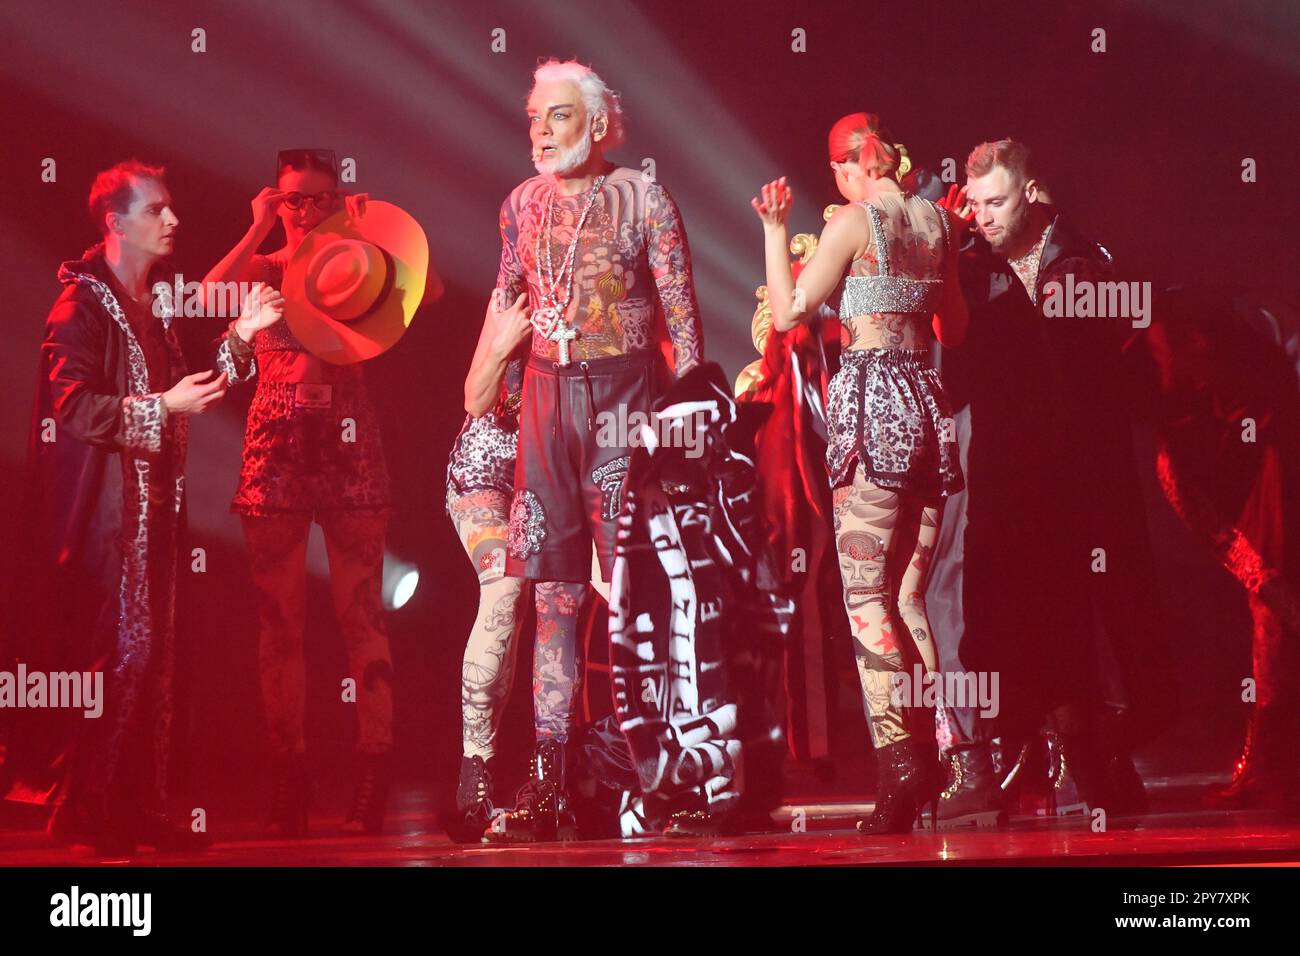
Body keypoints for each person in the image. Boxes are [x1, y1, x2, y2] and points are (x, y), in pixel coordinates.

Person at [465, 58, 704, 842]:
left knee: (636, 593)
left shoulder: (643, 196)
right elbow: (506, 305)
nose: (539, 129)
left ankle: (664, 776)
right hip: (542, 402)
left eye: (557, 116)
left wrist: (689, 419)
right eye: (534, 116)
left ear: (597, 125)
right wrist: (485, 395)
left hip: (620, 404)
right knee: (553, 600)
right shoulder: (519, 204)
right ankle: (549, 785)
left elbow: (681, 314)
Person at [3, 160, 233, 854]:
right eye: (156, 210)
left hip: (152, 517)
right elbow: (72, 406)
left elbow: (192, 387)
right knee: (112, 658)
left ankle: (134, 808)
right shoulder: (80, 307)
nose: (173, 221)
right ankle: (83, 810)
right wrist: (159, 407)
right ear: (116, 223)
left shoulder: (152, 306)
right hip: (105, 521)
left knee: (152, 664)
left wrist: (244, 337)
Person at [752, 112, 967, 833]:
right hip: (927, 412)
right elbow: (955, 329)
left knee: (865, 595)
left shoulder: (852, 220)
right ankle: (944, 751)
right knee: (909, 597)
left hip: (875, 413)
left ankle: (898, 761)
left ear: (849, 166)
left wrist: (776, 230)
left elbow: (787, 313)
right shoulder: (937, 222)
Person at [950, 139, 1173, 815]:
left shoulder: (1081, 261)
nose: (984, 216)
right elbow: (959, 375)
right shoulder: (972, 270)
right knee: (1025, 625)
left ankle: (1106, 762)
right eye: (976, 204)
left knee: (1100, 621)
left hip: (1084, 482)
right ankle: (1051, 760)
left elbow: (1115, 373)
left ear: (1033, 192)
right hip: (1010, 480)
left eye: (998, 201)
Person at [202, 148, 410, 836]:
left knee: (362, 617)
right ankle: (287, 774)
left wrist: (368, 231)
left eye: (319, 197)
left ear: (337, 197)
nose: (306, 210)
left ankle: (374, 771)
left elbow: (427, 292)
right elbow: (207, 294)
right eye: (294, 198)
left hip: (350, 446)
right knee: (279, 623)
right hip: (277, 447)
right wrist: (257, 224)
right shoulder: (263, 268)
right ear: (278, 200)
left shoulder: (358, 260)